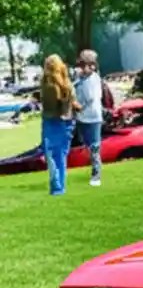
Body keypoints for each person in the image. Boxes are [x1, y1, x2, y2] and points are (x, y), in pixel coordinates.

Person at [39, 55, 76, 196]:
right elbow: (70, 103)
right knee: (61, 156)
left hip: (51, 121)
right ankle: (59, 187)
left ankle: (57, 187)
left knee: (52, 156)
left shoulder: (47, 85)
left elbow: (48, 105)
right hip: (66, 122)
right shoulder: (66, 84)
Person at [72, 49, 105, 186]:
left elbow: (93, 98)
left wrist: (80, 106)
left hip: (92, 117)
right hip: (81, 117)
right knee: (87, 145)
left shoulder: (94, 79)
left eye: (85, 64)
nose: (83, 67)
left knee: (94, 147)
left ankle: (96, 175)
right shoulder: (79, 78)